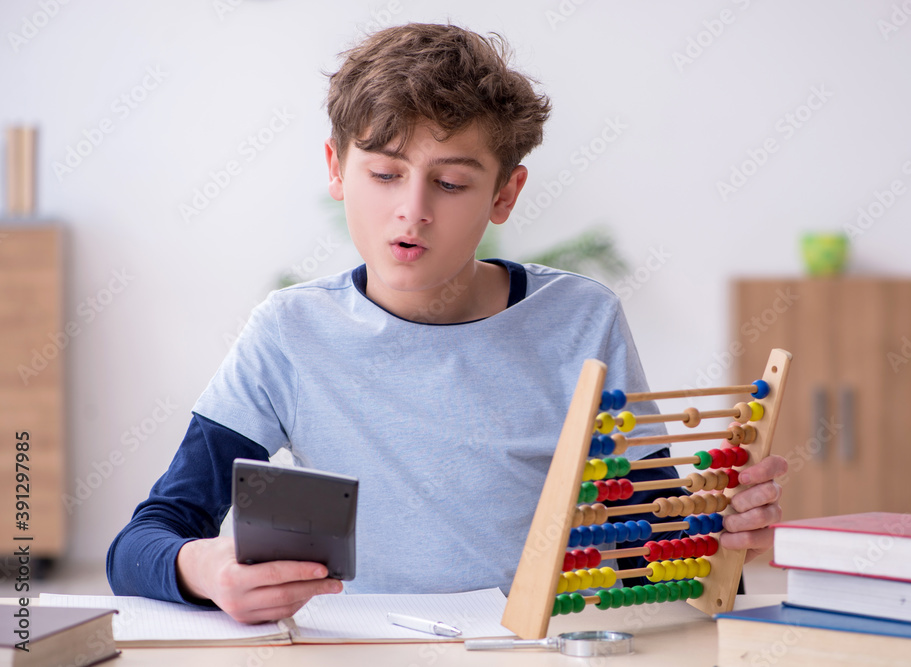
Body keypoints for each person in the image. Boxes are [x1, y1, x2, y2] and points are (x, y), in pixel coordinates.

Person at [106, 22, 786, 625]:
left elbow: (650, 553)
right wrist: (207, 570)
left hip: (528, 648)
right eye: (383, 173)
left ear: (504, 194)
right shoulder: (289, 332)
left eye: (451, 183)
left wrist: (719, 538)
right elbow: (143, 541)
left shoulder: (581, 319)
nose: (412, 210)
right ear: (337, 169)